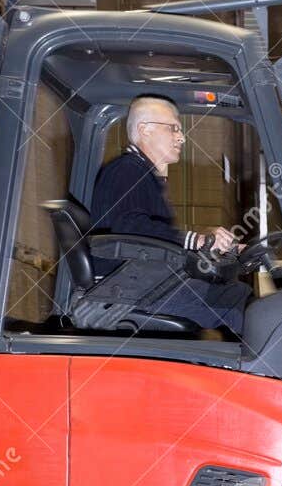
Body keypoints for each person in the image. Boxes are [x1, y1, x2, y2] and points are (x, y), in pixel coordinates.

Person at [88, 95, 250, 335]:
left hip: (140, 283)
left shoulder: (140, 174)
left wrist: (211, 247)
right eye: (173, 128)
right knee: (239, 303)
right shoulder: (127, 170)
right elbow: (130, 226)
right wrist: (197, 241)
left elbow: (152, 236)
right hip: (129, 289)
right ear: (145, 130)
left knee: (232, 293)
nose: (181, 137)